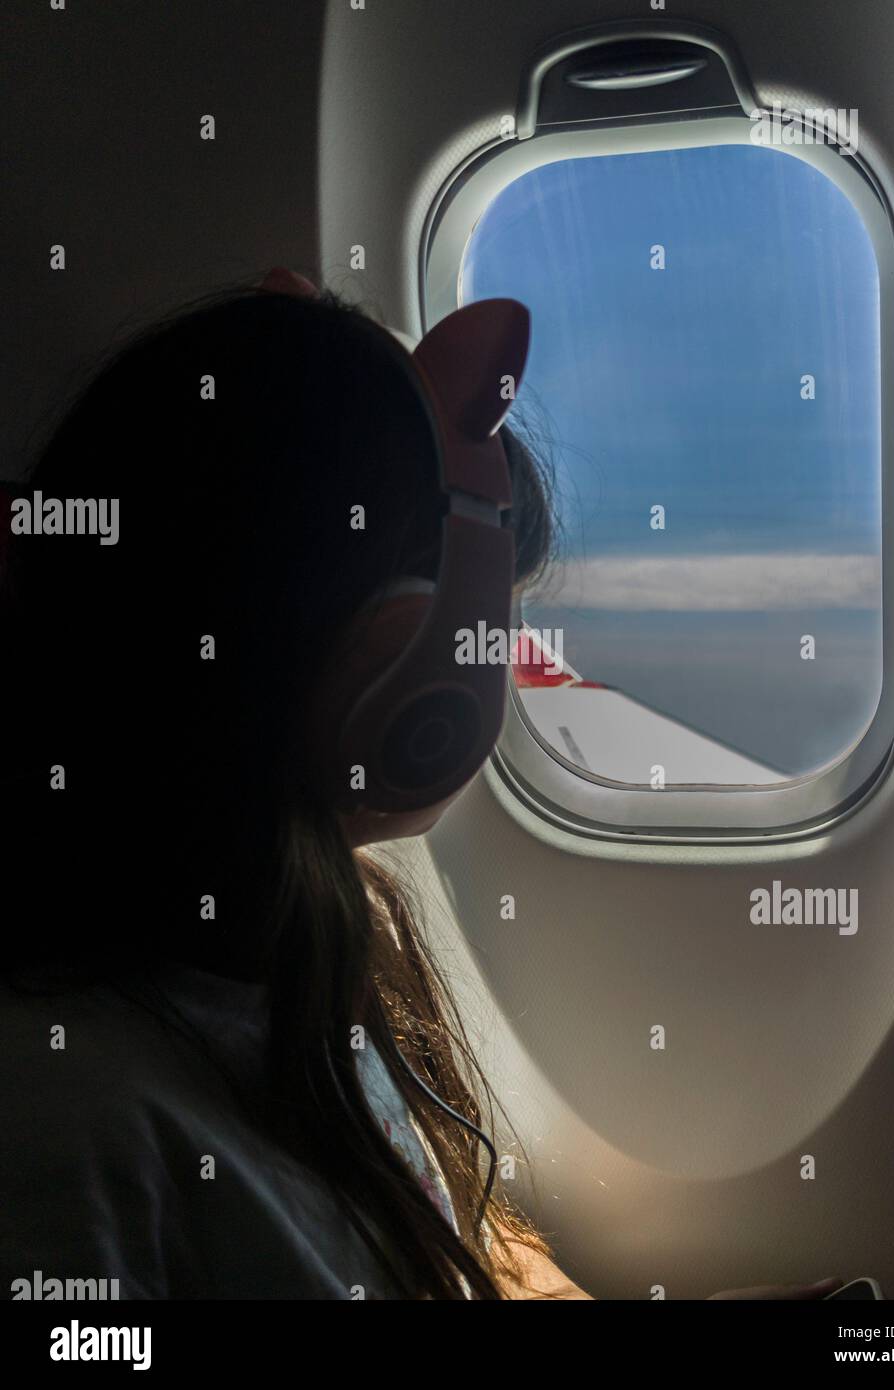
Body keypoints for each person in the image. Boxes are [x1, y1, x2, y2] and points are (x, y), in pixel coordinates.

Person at [0, 271, 840, 1301]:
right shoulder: (67, 1121)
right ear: (404, 666)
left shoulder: (328, 935)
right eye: (485, 621)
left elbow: (459, 1244)